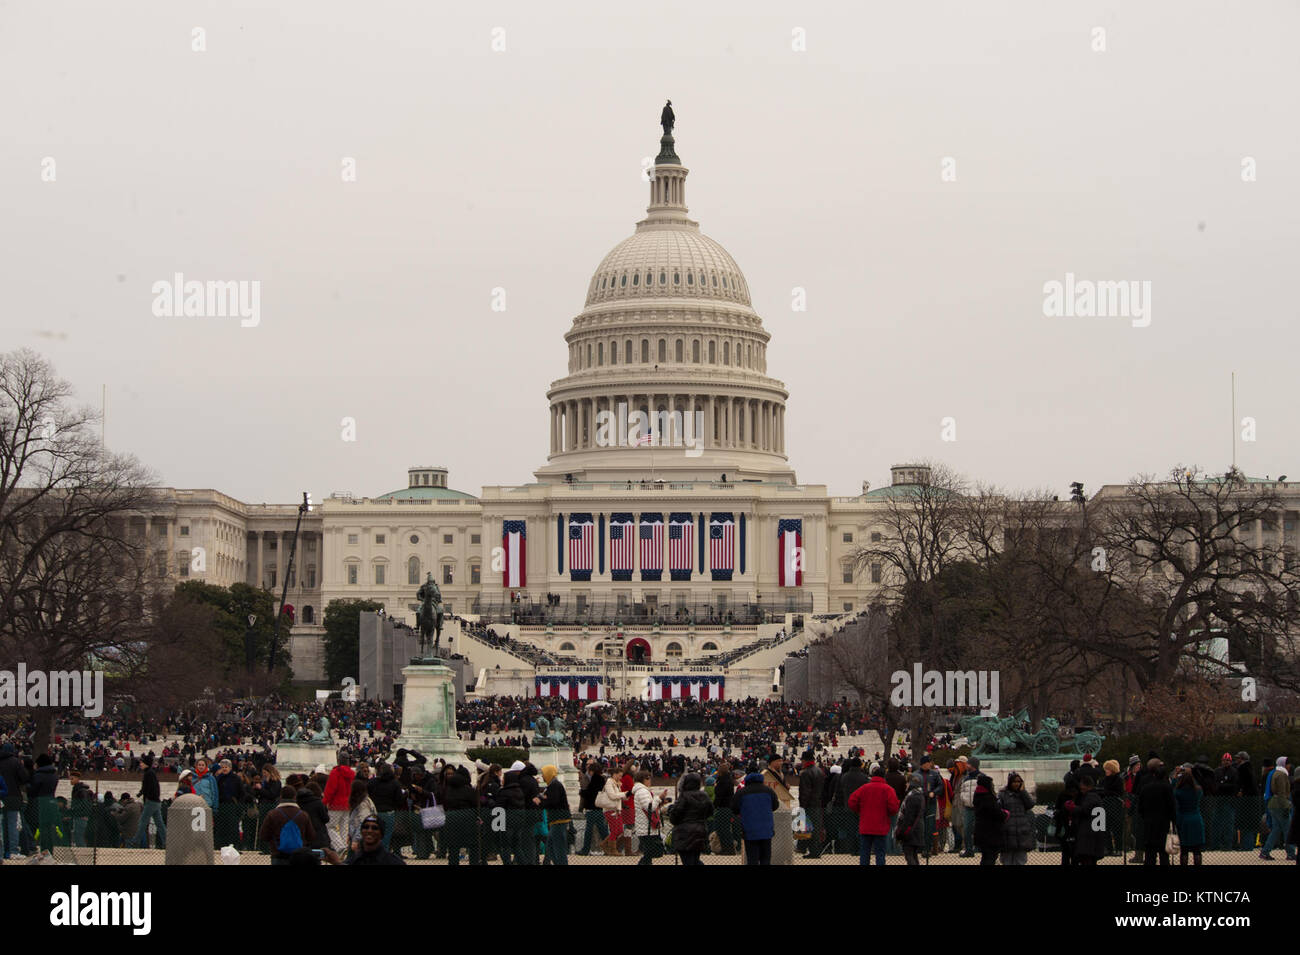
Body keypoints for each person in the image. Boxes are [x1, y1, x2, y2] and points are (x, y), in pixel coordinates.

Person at [846, 764, 899, 866]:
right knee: (880, 853)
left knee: (865, 852)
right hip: (881, 825)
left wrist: (859, 810)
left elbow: (852, 801)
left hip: (865, 825)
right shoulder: (888, 789)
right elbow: (894, 807)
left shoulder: (864, 788)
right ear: (884, 776)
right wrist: (888, 813)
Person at [731, 767, 778, 865]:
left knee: (752, 859)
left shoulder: (742, 792)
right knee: (765, 859)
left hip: (750, 830)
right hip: (766, 830)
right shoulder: (769, 791)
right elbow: (775, 806)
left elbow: (734, 808)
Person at [259, 786, 316, 865]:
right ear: (294, 797)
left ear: (281, 797)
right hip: (299, 856)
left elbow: (263, 836)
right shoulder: (303, 815)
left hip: (278, 854)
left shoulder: (272, 814)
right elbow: (311, 836)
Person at [666, 772, 713, 865]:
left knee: (688, 861)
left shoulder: (683, 796)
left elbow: (674, 816)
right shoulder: (704, 796)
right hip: (700, 831)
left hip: (684, 834)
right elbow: (710, 811)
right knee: (695, 860)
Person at [1138, 760, 1176, 866]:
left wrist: (1145, 817)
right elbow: (1172, 807)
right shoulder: (1167, 788)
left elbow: (1140, 808)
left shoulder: (1145, 788)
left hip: (1149, 824)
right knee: (1164, 855)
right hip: (1163, 824)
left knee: (1150, 854)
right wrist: (1173, 820)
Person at [997, 772, 1035, 865]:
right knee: (1007, 860)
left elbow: (1030, 805)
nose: (1016, 784)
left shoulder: (1023, 794)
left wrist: (1023, 792)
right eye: (1014, 781)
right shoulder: (1002, 794)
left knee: (1020, 860)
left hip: (1021, 832)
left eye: (1019, 781)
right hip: (1008, 831)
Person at [322, 753, 356, 854]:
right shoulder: (352, 773)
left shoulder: (335, 772)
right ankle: (344, 847)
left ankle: (340, 847)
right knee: (344, 828)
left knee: (330, 827)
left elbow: (330, 789)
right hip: (348, 804)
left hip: (336, 805)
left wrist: (324, 802)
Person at [631, 769, 666, 865]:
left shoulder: (642, 791)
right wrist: (659, 798)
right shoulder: (642, 791)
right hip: (646, 827)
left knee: (648, 855)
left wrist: (660, 801)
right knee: (648, 854)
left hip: (645, 826)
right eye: (647, 778)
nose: (649, 780)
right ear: (642, 779)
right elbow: (649, 808)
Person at [0, 743, 28, 859]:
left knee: (2, 826)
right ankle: (13, 850)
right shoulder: (16, 762)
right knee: (13, 824)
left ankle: (3, 851)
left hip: (1, 798)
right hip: (14, 797)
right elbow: (24, 778)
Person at [1261, 756, 1292, 860]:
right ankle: (1291, 853)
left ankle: (1265, 851)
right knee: (1288, 829)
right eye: (1288, 764)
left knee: (1276, 830)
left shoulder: (1275, 773)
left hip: (1273, 804)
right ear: (1284, 764)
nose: (1289, 766)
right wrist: (1286, 806)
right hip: (1280, 804)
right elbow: (1282, 792)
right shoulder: (1282, 775)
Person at [1174, 767, 1205, 866]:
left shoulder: (1178, 792)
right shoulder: (1198, 791)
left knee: (1184, 850)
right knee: (1197, 850)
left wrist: (1175, 778)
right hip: (1196, 819)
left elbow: (1172, 790)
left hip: (1183, 819)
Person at [540, 765, 571, 866]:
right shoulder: (553, 784)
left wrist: (541, 801)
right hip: (556, 820)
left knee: (558, 847)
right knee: (551, 847)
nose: (542, 776)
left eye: (543, 774)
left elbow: (553, 801)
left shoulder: (554, 785)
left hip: (558, 819)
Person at [971, 773, 1004, 866]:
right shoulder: (988, 798)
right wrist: (1005, 814)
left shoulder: (978, 796)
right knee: (990, 857)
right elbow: (996, 813)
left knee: (986, 857)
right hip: (991, 834)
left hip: (981, 832)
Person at [797, 751, 826, 858]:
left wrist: (802, 807)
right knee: (816, 828)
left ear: (805, 760)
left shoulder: (805, 773)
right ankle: (816, 851)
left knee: (807, 828)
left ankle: (809, 850)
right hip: (818, 804)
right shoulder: (820, 771)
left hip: (809, 805)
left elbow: (805, 792)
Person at [133, 754, 165, 850]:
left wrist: (147, 797)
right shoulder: (150, 773)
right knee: (159, 823)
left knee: (143, 821)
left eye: (142, 762)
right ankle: (166, 841)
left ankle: (135, 841)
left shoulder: (149, 773)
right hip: (155, 801)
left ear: (146, 763)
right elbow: (149, 787)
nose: (140, 764)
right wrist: (141, 793)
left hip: (151, 801)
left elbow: (150, 787)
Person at [576, 761, 609, 856]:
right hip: (598, 808)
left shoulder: (595, 779)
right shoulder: (601, 779)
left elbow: (590, 793)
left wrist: (582, 792)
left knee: (588, 831)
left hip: (592, 807)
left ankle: (585, 849)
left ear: (592, 771)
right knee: (603, 830)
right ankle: (610, 847)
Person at [1073, 774, 1106, 865]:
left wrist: (1073, 808)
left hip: (1089, 836)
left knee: (1087, 860)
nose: (1080, 789)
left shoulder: (1091, 797)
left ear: (1087, 786)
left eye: (1082, 787)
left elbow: (1084, 810)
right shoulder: (1096, 796)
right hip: (1095, 834)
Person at [894, 772, 926, 866]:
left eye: (907, 782)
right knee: (913, 855)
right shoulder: (919, 795)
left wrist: (902, 832)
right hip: (916, 829)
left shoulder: (912, 797)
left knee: (909, 854)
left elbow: (909, 817)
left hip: (911, 830)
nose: (906, 785)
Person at [346, 778, 376, 860]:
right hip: (357, 837)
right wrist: (349, 835)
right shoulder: (361, 803)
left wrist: (356, 840)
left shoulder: (363, 804)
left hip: (361, 838)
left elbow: (364, 823)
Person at [711, 759, 736, 855]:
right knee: (725, 829)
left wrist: (714, 806)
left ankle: (727, 849)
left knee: (723, 830)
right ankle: (728, 849)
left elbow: (719, 795)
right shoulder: (728, 779)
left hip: (723, 807)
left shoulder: (722, 781)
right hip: (727, 807)